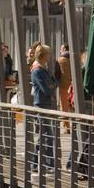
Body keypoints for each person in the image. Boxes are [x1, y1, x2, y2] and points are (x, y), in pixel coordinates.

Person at [29, 44, 59, 176]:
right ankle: (48, 164)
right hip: (41, 104)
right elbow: (47, 89)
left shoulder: (43, 69)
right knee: (48, 136)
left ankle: (36, 163)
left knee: (43, 136)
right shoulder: (37, 70)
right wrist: (52, 87)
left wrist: (52, 86)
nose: (49, 56)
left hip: (45, 104)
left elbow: (54, 82)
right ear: (43, 55)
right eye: (48, 54)